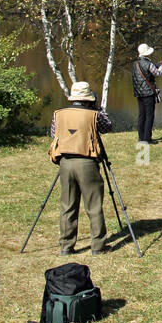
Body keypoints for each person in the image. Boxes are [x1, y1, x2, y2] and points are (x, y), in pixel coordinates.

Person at [48, 80, 114, 255]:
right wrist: (98, 108)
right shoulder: (94, 114)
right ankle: (98, 247)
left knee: (68, 205)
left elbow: (53, 133)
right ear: (88, 99)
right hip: (87, 161)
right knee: (93, 205)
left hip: (65, 162)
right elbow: (108, 127)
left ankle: (66, 247)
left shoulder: (59, 114)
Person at [131, 43, 162, 144]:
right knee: (149, 115)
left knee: (142, 115)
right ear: (147, 53)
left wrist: (156, 65)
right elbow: (157, 73)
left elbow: (143, 72)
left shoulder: (135, 63)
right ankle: (147, 138)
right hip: (148, 93)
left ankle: (141, 137)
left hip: (139, 93)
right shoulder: (148, 64)